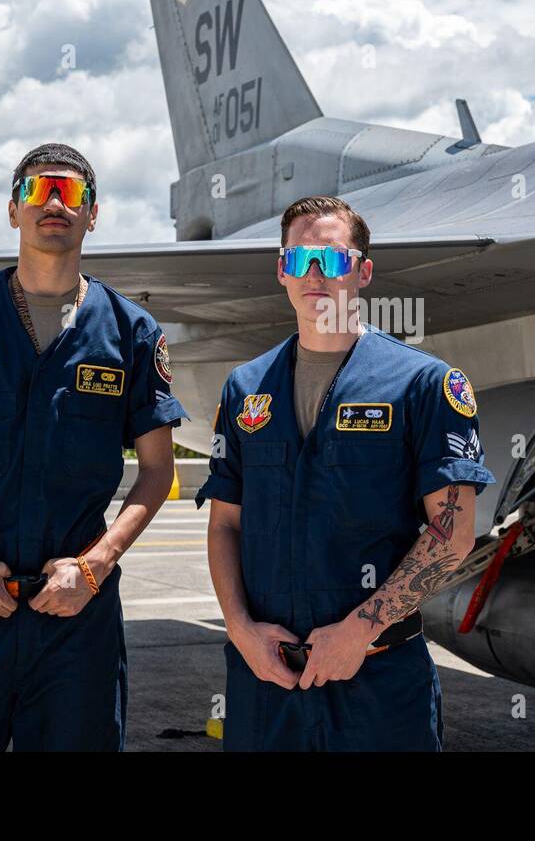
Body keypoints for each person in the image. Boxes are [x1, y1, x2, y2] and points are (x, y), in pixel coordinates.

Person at [0, 142, 186, 750]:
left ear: (92, 214)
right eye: (38, 190)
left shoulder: (130, 332)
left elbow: (156, 471)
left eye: (70, 193)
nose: (53, 202)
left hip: (75, 610)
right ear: (13, 208)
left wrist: (97, 566)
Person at [197, 195, 495, 751]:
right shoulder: (245, 389)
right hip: (267, 681)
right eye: (298, 259)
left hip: (378, 684)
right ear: (281, 269)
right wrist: (239, 632)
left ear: (362, 271)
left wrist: (360, 631)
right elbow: (226, 527)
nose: (315, 274)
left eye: (332, 260)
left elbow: (452, 535)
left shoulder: (425, 386)